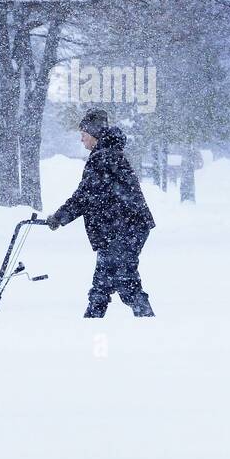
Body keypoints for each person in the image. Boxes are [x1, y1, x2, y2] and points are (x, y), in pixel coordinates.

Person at [45, 108, 156, 318]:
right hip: (121, 227)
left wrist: (59, 217)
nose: (81, 140)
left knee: (125, 280)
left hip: (125, 228)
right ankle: (92, 322)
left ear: (94, 135)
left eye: (83, 135)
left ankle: (147, 322)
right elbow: (90, 196)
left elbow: (85, 196)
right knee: (103, 283)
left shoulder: (103, 158)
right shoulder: (106, 154)